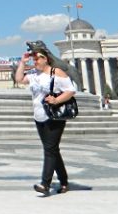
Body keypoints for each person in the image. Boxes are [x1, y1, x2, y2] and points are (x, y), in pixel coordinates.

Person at [15, 48, 76, 195]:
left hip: (54, 116)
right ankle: (64, 181)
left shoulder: (57, 72)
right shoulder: (33, 74)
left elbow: (70, 90)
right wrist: (22, 63)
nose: (35, 61)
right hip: (39, 116)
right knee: (52, 150)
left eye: (37, 58)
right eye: (33, 59)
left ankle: (45, 184)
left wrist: (56, 100)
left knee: (49, 149)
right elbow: (19, 79)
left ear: (46, 59)